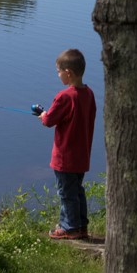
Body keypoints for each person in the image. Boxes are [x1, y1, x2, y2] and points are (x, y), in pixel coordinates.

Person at [37, 48, 97, 240]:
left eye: (58, 71)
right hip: (81, 155)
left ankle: (69, 228)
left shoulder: (64, 97)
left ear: (68, 72)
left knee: (66, 193)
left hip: (65, 157)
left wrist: (43, 115)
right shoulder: (88, 94)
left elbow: (48, 121)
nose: (58, 74)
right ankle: (80, 226)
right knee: (77, 191)